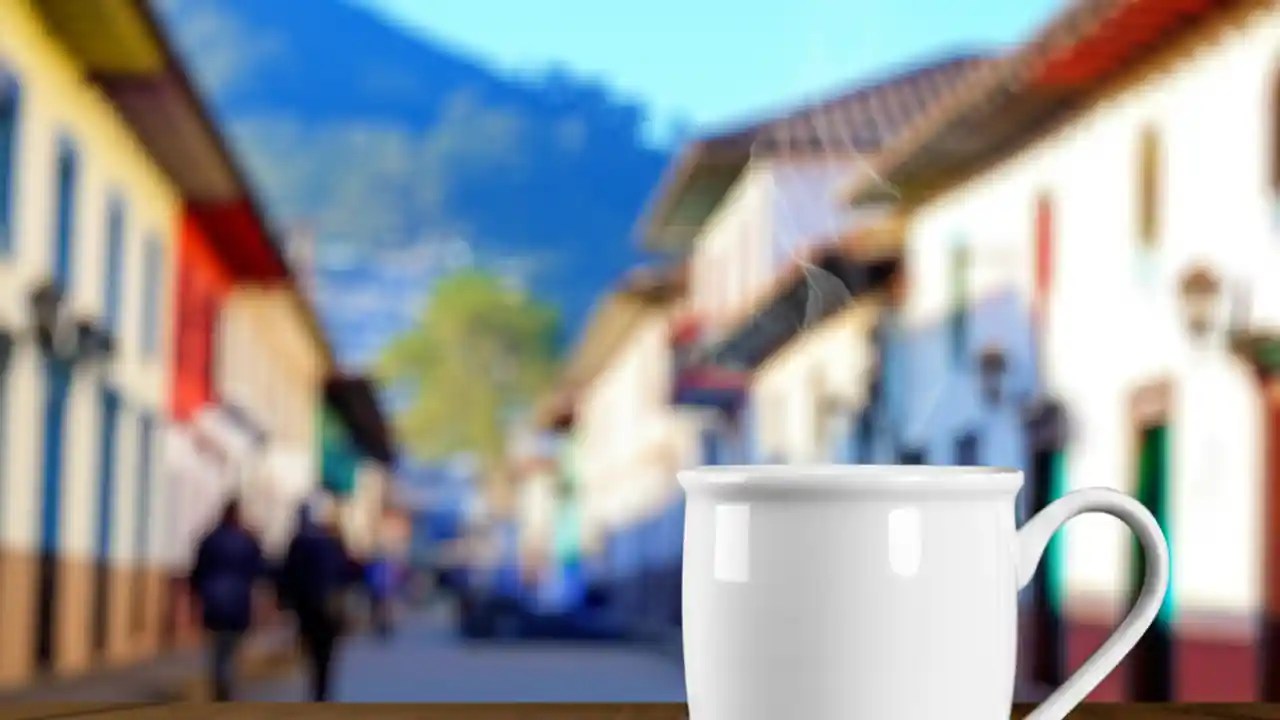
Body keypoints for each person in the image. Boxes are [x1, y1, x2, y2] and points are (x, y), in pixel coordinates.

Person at [277, 501, 358, 702]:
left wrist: (285, 600)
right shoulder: (336, 543)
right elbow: (347, 573)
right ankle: (322, 691)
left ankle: (316, 689)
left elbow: (288, 574)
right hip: (329, 605)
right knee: (326, 652)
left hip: (307, 606)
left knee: (311, 648)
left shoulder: (300, 542)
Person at [190, 499, 264, 702]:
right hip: (239, 604)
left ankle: (220, 688)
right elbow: (258, 570)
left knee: (218, 651)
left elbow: (197, 571)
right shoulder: (247, 541)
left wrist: (196, 595)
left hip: (214, 602)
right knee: (231, 650)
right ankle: (227, 688)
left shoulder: (210, 539)